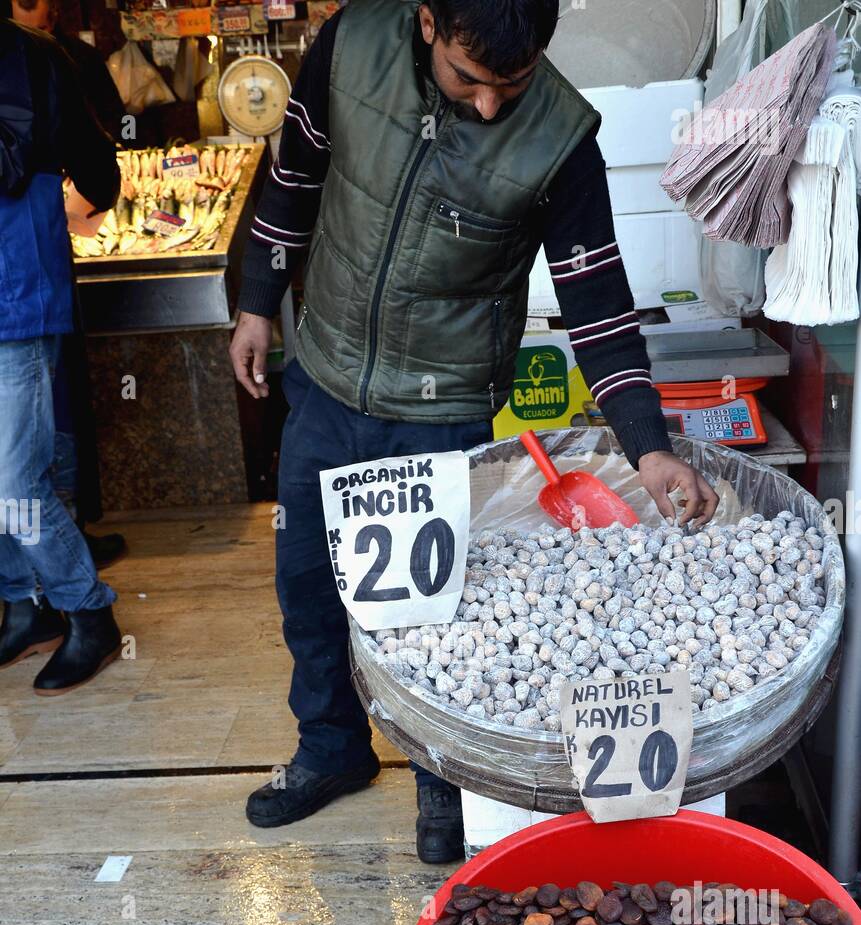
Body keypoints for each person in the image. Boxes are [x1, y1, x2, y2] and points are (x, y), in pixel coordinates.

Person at [230, 0, 720, 863]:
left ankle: (440, 781)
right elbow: (295, 175)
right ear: (426, 23)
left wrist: (648, 444)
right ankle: (331, 750)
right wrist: (255, 303)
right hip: (328, 378)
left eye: (513, 84)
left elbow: (596, 302)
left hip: (444, 406)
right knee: (308, 588)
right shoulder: (351, 44)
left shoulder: (561, 137)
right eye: (469, 80)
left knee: (434, 619)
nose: (491, 105)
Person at [0, 10, 123, 692]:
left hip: (15, 294)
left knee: (15, 484)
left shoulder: (38, 60)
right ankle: (26, 605)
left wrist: (87, 200)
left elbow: (94, 162)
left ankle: (88, 611)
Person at [11, 0, 126, 141]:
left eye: (40, 30)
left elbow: (118, 113)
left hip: (83, 153)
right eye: (23, 33)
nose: (32, 40)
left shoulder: (83, 56)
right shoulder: (8, 63)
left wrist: (129, 142)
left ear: (53, 21)